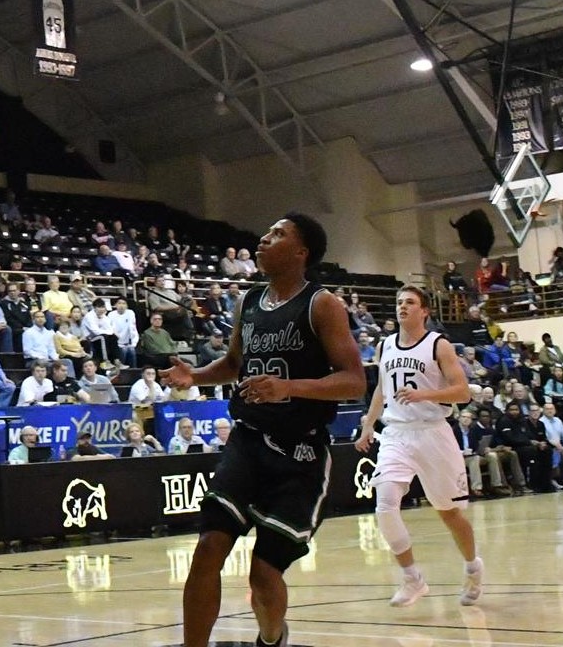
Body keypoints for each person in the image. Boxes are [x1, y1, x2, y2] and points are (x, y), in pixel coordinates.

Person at [164, 214, 364, 647]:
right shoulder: (249, 302)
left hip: (300, 456)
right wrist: (194, 376)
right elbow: (235, 365)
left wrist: (288, 387)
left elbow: (354, 380)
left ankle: (272, 638)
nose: (263, 239)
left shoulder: (322, 304)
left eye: (277, 235)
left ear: (300, 252)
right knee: (208, 549)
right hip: (248, 441)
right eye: (266, 231)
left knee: (263, 573)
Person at [356, 285, 483, 607]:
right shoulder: (384, 346)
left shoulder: (438, 345)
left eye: (410, 303)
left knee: (449, 513)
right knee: (384, 503)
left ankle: (472, 567)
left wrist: (424, 394)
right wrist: (368, 425)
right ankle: (412, 578)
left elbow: (463, 393)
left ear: (424, 310)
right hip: (397, 433)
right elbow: (381, 392)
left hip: (433, 432)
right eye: (399, 302)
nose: (402, 307)